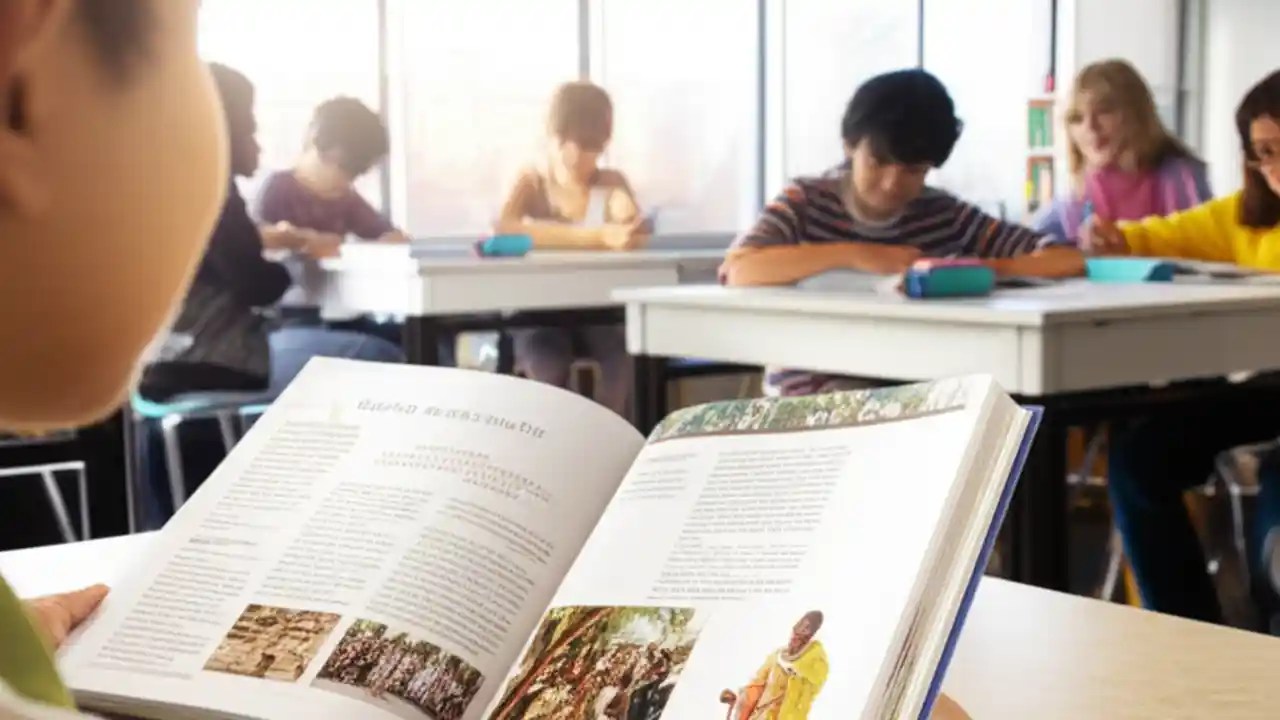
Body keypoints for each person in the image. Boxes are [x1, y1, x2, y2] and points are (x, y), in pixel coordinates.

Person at [721, 69, 1085, 396]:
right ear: (850, 145)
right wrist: (857, 254)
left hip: (916, 384)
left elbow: (1066, 258)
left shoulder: (944, 214)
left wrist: (970, 271)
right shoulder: (805, 202)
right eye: (877, 162)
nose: (891, 183)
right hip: (813, 388)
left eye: (914, 171)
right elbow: (739, 269)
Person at [1082, 70, 1280, 625]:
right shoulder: (1245, 216)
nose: (1277, 166)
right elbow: (1148, 236)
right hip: (1265, 391)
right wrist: (1110, 237)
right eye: (1266, 153)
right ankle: (1184, 628)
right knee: (1140, 462)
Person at [139, 63, 403, 404]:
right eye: (249, 129)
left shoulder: (162, 189)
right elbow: (259, 285)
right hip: (217, 360)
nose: (257, 145)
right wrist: (293, 256)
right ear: (221, 129)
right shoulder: (212, 194)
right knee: (384, 357)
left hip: (165, 362)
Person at [495, 82, 642, 415]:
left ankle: (609, 435)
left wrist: (625, 219)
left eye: (591, 146)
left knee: (623, 362)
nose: (578, 156)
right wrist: (597, 238)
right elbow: (506, 229)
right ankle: (558, 440)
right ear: (553, 137)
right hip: (536, 313)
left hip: (597, 311)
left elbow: (630, 224)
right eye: (568, 142)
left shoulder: (610, 183)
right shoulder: (532, 181)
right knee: (548, 366)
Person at [1035, 59, 1212, 244]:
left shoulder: (1184, 180)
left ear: (1136, 114)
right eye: (1077, 118)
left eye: (1103, 112)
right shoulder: (1070, 204)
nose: (1090, 127)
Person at [255, 96, 405, 244]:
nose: (344, 182)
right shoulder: (280, 189)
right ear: (315, 143)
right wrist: (298, 240)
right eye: (343, 169)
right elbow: (259, 240)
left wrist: (391, 240)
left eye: (354, 175)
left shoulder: (346, 199)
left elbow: (386, 233)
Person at [721, 611, 829, 720]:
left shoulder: (813, 664)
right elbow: (758, 685)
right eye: (799, 626)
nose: (797, 633)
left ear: (811, 636)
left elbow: (799, 704)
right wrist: (739, 701)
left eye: (806, 629)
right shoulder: (777, 657)